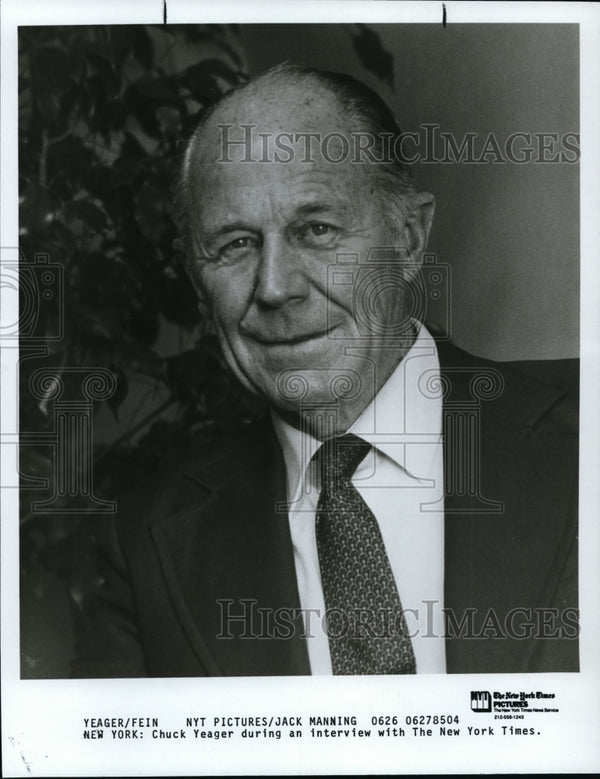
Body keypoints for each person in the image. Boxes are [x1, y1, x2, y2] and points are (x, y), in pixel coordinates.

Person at [72, 64, 578, 677]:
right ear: (197, 281)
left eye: (316, 229)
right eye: (235, 244)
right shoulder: (144, 543)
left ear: (411, 239)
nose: (276, 287)